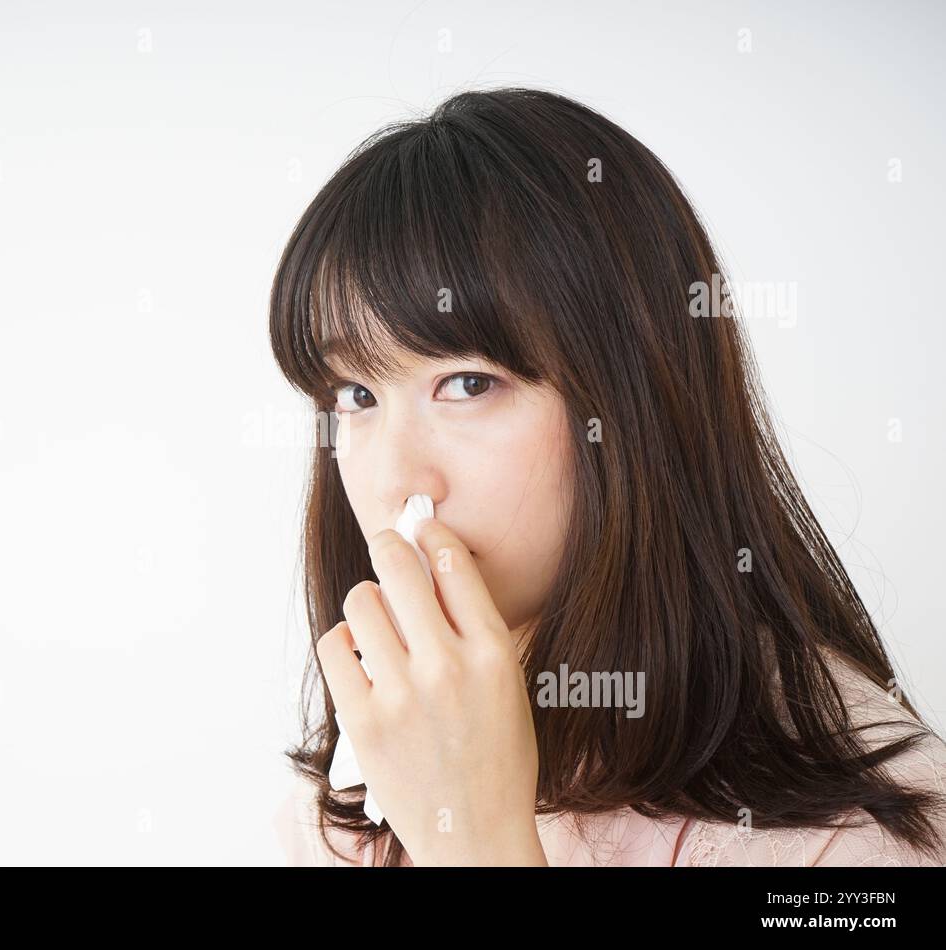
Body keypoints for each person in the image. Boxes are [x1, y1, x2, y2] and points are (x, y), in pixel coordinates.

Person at [266, 87, 946, 866]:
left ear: (629, 402)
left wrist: (479, 843)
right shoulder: (347, 810)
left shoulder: (851, 847)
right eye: (356, 396)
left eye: (468, 384)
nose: (393, 479)